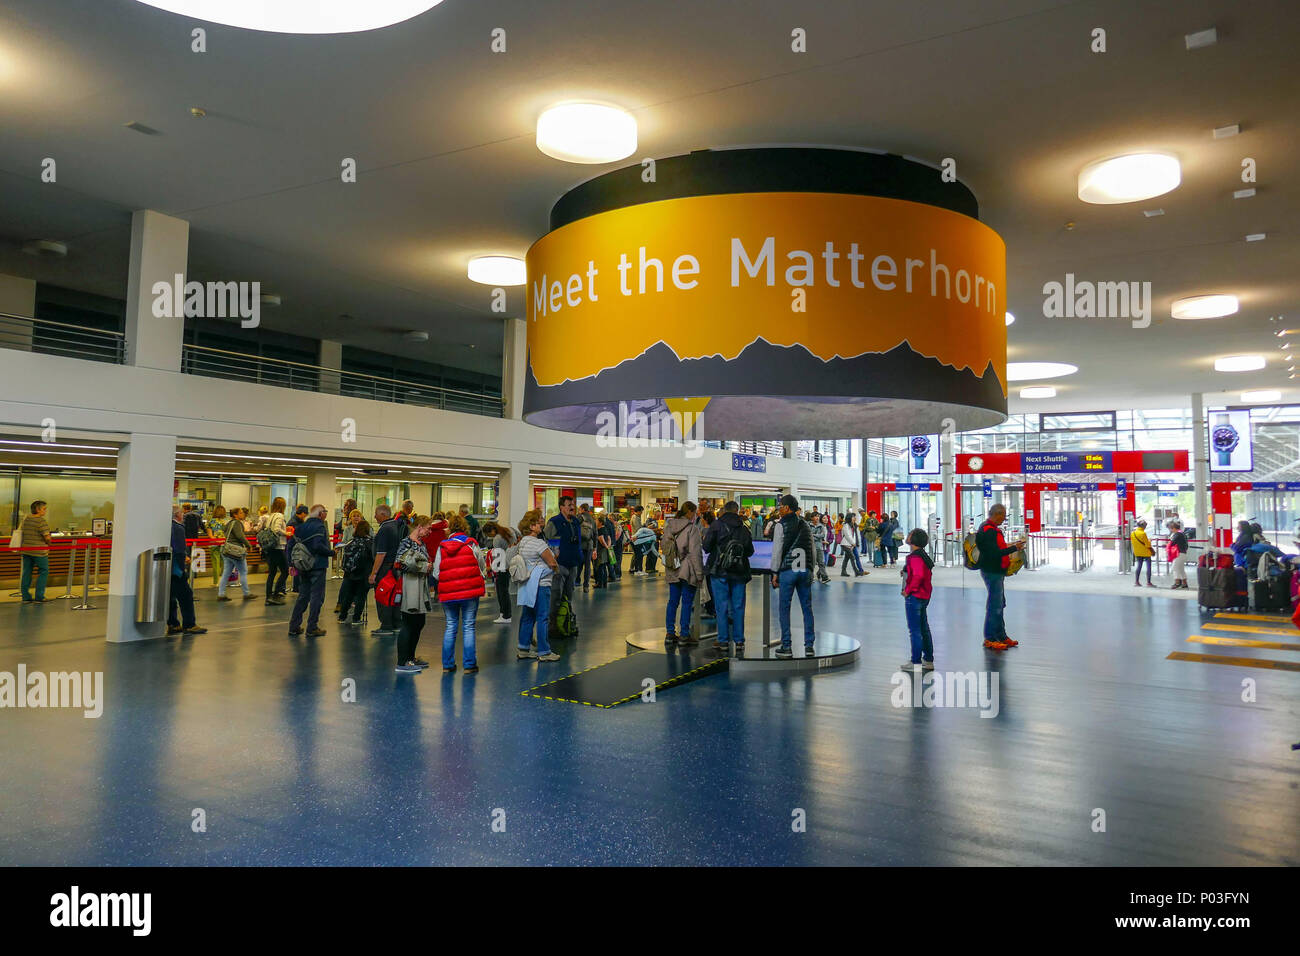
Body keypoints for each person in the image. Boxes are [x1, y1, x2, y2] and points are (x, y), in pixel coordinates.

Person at [434, 513, 487, 674]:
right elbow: (481, 566)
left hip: (449, 594)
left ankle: (448, 665)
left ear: (449, 529)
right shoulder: (471, 544)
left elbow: (436, 573)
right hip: (470, 592)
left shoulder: (442, 547)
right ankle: (469, 665)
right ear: (464, 528)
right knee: (469, 626)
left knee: (451, 626)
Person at [703, 500, 754, 655]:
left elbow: (706, 547)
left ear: (724, 511)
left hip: (719, 571)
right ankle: (739, 641)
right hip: (739, 572)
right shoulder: (744, 528)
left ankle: (723, 640)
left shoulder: (716, 525)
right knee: (738, 606)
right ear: (737, 511)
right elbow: (750, 551)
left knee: (721, 606)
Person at [770, 494, 815, 659]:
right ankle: (809, 645)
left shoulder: (781, 525)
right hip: (805, 570)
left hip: (788, 571)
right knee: (807, 607)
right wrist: (812, 569)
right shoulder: (806, 524)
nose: (779, 509)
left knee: (784, 608)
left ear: (787, 508)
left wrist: (774, 573)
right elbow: (812, 549)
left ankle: (787, 646)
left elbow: (777, 551)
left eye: (781, 506)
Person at [975, 503, 1024, 651]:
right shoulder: (989, 531)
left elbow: (995, 549)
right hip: (992, 571)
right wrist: (1014, 548)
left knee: (999, 604)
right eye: (1003, 516)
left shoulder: (989, 529)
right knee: (994, 606)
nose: (1004, 519)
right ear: (997, 514)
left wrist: (1011, 546)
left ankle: (1001, 635)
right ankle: (990, 638)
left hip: (996, 571)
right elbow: (994, 553)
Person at [515, 509, 561, 662]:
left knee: (528, 616)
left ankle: (523, 648)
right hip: (541, 584)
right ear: (532, 525)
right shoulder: (539, 543)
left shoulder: (522, 543)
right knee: (542, 617)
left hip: (526, 584)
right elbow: (552, 562)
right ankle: (544, 651)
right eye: (539, 521)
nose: (542, 523)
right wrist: (555, 566)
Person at [393, 515, 435, 673]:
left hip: (420, 586)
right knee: (409, 623)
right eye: (428, 528)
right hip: (410, 587)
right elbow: (400, 563)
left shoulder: (421, 543)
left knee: (419, 622)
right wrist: (424, 567)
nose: (430, 531)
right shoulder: (406, 542)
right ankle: (402, 662)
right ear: (419, 527)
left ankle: (410, 657)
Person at [287, 504, 334, 638]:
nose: (326, 514)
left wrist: (292, 563)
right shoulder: (320, 526)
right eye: (325, 511)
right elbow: (317, 545)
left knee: (303, 596)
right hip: (317, 565)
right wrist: (331, 552)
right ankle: (312, 627)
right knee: (316, 597)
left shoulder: (301, 526)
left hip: (303, 566)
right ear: (320, 514)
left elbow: (291, 545)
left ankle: (294, 626)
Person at [663, 501, 704, 645]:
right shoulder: (692, 529)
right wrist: (699, 575)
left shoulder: (669, 526)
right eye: (695, 513)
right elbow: (695, 553)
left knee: (672, 602)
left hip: (672, 567)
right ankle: (684, 635)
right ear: (690, 512)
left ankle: (669, 633)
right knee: (687, 602)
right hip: (687, 570)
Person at [544, 495, 583, 633]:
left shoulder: (576, 522)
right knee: (556, 596)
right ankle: (552, 626)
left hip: (573, 563)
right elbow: (545, 539)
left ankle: (565, 622)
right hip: (559, 565)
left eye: (572, 504)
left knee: (569, 595)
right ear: (561, 507)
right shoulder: (554, 522)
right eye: (568, 505)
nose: (571, 507)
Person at [167, 505, 206, 635]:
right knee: (186, 596)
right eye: (181, 514)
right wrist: (182, 567)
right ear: (178, 515)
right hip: (176, 569)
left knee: (170, 597)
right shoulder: (178, 528)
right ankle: (189, 624)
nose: (183, 515)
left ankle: (173, 623)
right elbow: (179, 550)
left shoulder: (166, 526)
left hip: (166, 568)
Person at [900, 528, 935, 672]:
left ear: (913, 540)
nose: (907, 536)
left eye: (910, 534)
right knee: (924, 628)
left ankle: (915, 662)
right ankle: (928, 659)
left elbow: (918, 576)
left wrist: (907, 591)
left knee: (914, 630)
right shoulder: (922, 556)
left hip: (915, 596)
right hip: (924, 596)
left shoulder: (914, 557)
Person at [368, 503, 403, 637]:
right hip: (394, 568)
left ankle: (386, 625)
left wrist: (373, 573)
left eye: (376, 514)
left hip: (385, 569)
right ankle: (396, 623)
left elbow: (381, 553)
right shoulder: (395, 526)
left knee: (383, 595)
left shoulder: (384, 530)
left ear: (383, 514)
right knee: (394, 596)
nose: (374, 517)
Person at [337, 518, 374, 625]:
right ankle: (356, 619)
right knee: (361, 596)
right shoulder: (369, 543)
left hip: (350, 573)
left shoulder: (351, 542)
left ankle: (342, 617)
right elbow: (373, 558)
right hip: (363, 573)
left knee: (349, 595)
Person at [217, 507, 257, 601]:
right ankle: (246, 593)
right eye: (241, 513)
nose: (243, 514)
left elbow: (225, 532)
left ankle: (221, 594)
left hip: (227, 551)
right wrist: (248, 545)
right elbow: (240, 536)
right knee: (243, 572)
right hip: (236, 551)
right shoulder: (237, 523)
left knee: (226, 573)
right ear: (235, 515)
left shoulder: (229, 523)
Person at [18, 499, 52, 604]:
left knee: (26, 572)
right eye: (44, 509)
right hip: (39, 551)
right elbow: (47, 537)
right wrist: (49, 544)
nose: (45, 511)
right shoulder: (41, 521)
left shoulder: (26, 518)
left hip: (26, 550)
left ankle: (25, 596)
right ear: (38, 509)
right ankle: (39, 596)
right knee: (43, 571)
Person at [262, 497, 290, 604]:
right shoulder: (280, 516)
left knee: (272, 572)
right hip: (278, 547)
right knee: (285, 571)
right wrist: (286, 533)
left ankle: (269, 596)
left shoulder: (271, 516)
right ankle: (276, 592)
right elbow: (276, 529)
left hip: (270, 548)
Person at [490, 519, 516, 624]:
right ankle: (504, 614)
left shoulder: (497, 538)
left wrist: (492, 568)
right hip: (510, 563)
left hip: (502, 566)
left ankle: (505, 615)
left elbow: (497, 556)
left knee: (502, 592)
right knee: (504, 590)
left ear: (492, 530)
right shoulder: (509, 530)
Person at [287, 504, 309, 594]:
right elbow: (297, 536)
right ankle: (296, 587)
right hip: (294, 547)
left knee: (297, 567)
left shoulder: (295, 521)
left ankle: (297, 586)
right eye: (306, 514)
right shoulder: (295, 523)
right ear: (303, 513)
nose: (306, 516)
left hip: (294, 547)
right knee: (297, 567)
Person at [838, 511, 865, 577]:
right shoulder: (846, 525)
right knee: (852, 557)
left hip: (851, 544)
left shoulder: (852, 525)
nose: (854, 518)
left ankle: (843, 572)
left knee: (846, 559)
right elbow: (847, 535)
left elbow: (854, 536)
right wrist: (853, 543)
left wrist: (854, 544)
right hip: (845, 544)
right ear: (850, 518)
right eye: (853, 517)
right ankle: (856, 572)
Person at [577, 503, 597, 591]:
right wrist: (595, 547)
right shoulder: (593, 519)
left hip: (580, 544)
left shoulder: (580, 517)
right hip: (589, 545)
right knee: (588, 566)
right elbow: (595, 534)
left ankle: (577, 581)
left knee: (578, 564)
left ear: (582, 509)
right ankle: (586, 585)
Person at [1167, 519, 1191, 590]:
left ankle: (1177, 583)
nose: (1171, 530)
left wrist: (1167, 545)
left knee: (1175, 568)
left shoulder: (1177, 534)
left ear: (1174, 528)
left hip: (1179, 554)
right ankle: (1184, 583)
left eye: (1171, 529)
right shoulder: (1182, 534)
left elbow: (1172, 543)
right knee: (1181, 569)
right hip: (1183, 553)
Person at [1131, 518, 1155, 587]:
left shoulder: (1133, 533)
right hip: (1146, 553)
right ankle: (1148, 582)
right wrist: (1150, 541)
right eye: (1145, 526)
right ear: (1143, 526)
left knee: (1139, 566)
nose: (1145, 527)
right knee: (1148, 567)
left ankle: (1136, 581)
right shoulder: (1143, 533)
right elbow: (1147, 544)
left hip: (1137, 552)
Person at [628, 506, 645, 574]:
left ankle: (633, 568)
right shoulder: (635, 518)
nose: (641, 513)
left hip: (636, 537)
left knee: (636, 554)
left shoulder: (636, 518)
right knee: (637, 554)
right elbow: (638, 529)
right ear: (638, 511)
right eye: (641, 511)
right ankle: (634, 568)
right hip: (636, 538)